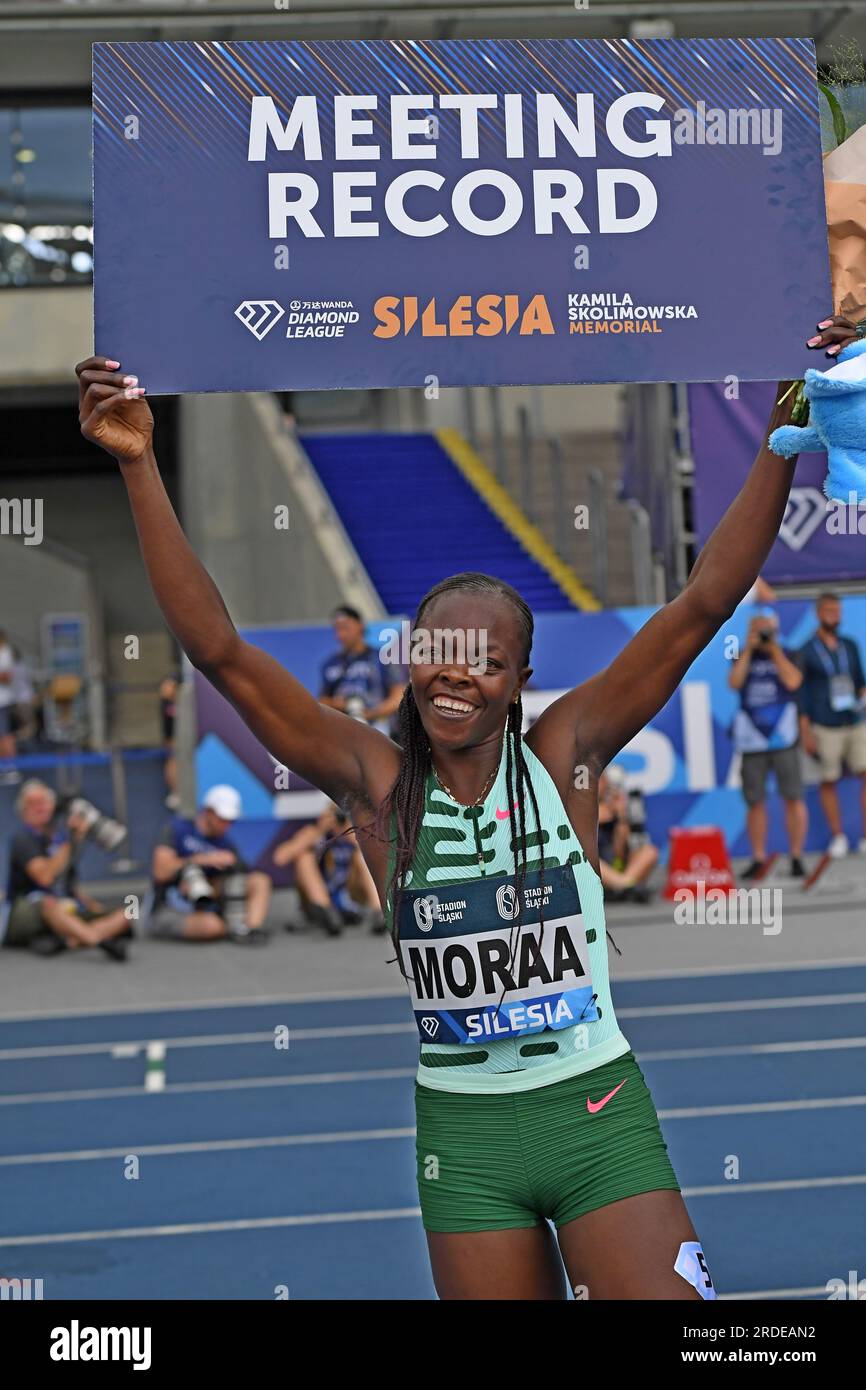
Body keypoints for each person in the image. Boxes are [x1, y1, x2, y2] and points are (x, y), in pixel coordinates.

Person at [75, 312, 854, 1301]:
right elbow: (220, 654)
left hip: (595, 1109)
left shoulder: (566, 753)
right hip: (465, 1134)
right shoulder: (374, 785)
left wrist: (788, 413)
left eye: (483, 660)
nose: (456, 676)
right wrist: (141, 466)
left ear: (519, 677)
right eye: (438, 653)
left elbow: (703, 600)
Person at [2, 778, 130, 959]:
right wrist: (72, 841)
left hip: (63, 907)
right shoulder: (23, 839)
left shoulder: (58, 838)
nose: (40, 808)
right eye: (33, 804)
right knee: (49, 904)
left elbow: (65, 879)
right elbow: (45, 878)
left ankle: (68, 941)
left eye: (44, 802)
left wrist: (83, 900)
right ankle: (99, 940)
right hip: (26, 911)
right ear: (23, 812)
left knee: (128, 912)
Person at [728, 612, 807, 878]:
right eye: (757, 630)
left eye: (767, 631)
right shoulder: (740, 654)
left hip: (783, 736)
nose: (762, 635)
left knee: (793, 796)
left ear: (776, 630)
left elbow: (794, 681)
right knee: (755, 801)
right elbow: (734, 683)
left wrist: (773, 651)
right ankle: (758, 856)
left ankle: (796, 855)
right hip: (752, 738)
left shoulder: (788, 652)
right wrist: (749, 650)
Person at [144, 783, 272, 941]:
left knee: (260, 880)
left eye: (230, 821)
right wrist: (203, 860)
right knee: (212, 927)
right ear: (208, 812)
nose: (227, 825)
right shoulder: (178, 829)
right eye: (223, 819)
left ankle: (251, 929)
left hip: (206, 899)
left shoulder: (225, 843)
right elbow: (160, 872)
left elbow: (241, 877)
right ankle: (226, 926)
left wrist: (232, 865)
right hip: (169, 903)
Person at [797, 593, 866, 858]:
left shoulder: (849, 645)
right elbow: (801, 693)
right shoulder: (806, 650)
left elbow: (859, 680)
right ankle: (837, 835)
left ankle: (864, 836)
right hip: (825, 723)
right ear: (818, 613)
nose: (833, 615)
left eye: (837, 610)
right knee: (829, 778)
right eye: (828, 610)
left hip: (854, 719)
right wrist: (806, 731)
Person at [273, 802, 386, 935]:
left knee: (361, 855)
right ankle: (328, 913)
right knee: (304, 858)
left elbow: (377, 852)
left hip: (348, 895)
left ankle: (379, 911)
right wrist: (318, 832)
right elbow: (279, 858)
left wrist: (348, 832)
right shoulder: (313, 832)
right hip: (318, 899)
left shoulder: (351, 833)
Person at [319, 605, 405, 735]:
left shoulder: (382, 658)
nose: (341, 635)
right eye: (337, 630)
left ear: (360, 626)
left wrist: (372, 713)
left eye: (346, 628)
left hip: (378, 727)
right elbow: (322, 700)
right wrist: (342, 704)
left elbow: (399, 696)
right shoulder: (331, 664)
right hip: (342, 728)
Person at [596, 768, 658, 902]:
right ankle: (626, 885)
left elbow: (619, 851)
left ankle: (620, 887)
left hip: (615, 863)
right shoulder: (582, 808)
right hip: (597, 867)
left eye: (601, 781)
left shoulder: (614, 807)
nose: (598, 785)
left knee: (649, 852)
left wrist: (621, 817)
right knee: (593, 860)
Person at [0, 628, 19, 785]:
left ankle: (11, 769)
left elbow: (7, 678)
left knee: (5, 736)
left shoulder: (5, 653)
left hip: (2, 702)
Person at [159, 671, 180, 809]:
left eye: (170, 685)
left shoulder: (183, 701)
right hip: (172, 738)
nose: (166, 688)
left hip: (183, 739)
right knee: (172, 762)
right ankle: (176, 792)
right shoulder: (166, 703)